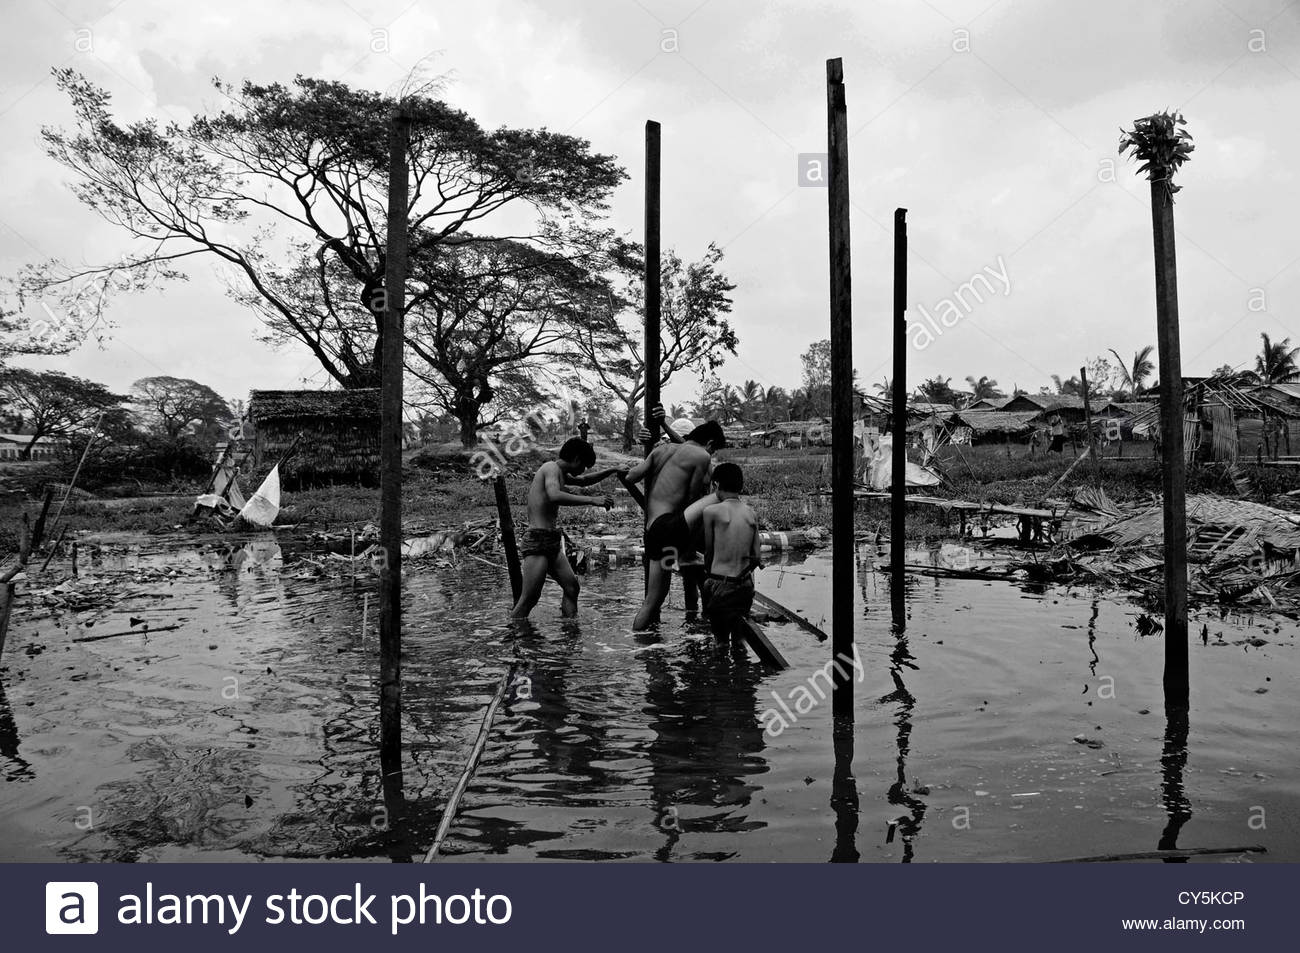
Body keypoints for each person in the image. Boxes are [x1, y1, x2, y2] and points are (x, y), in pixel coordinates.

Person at [625, 419, 727, 629]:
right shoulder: (702, 456)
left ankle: (638, 642)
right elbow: (692, 498)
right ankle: (692, 559)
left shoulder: (661, 449)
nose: (712, 453)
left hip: (653, 532)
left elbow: (631, 476)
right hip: (670, 528)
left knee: (654, 598)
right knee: (722, 493)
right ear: (709, 443)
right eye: (714, 448)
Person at [511, 438, 624, 619]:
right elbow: (554, 495)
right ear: (577, 458)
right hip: (537, 541)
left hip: (551, 540)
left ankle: (570, 630)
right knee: (529, 599)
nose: (583, 470)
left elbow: (584, 480)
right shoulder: (550, 468)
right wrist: (593, 500)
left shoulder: (561, 473)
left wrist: (612, 470)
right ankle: (512, 636)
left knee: (572, 587)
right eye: (584, 465)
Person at [700, 463, 762, 638]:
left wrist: (709, 576)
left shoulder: (711, 511)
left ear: (716, 485)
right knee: (739, 641)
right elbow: (757, 557)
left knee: (720, 642)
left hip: (721, 583)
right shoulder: (751, 513)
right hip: (745, 586)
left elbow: (709, 553)